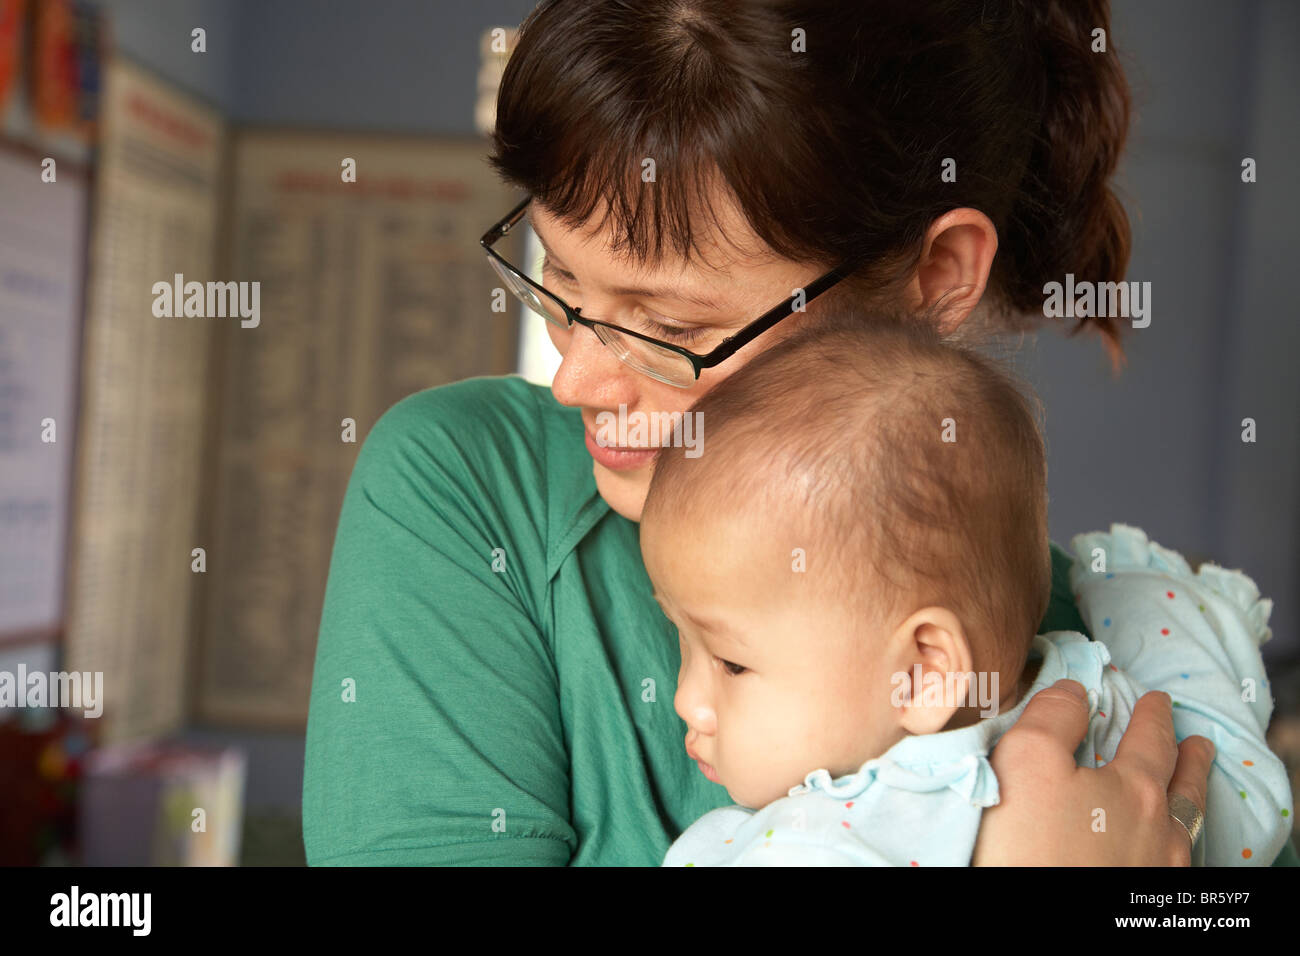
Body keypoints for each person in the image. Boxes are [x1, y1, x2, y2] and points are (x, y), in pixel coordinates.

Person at [302, 0, 1297, 865]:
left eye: (674, 329)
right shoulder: (472, 491)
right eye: (561, 280)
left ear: (939, 275)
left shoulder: (1126, 685)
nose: (576, 379)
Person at [637, 315, 1292, 866]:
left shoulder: (813, 847)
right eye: (684, 642)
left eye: (731, 662)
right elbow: (1244, 804)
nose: (686, 699)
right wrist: (1146, 592)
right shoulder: (1108, 707)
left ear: (924, 672)